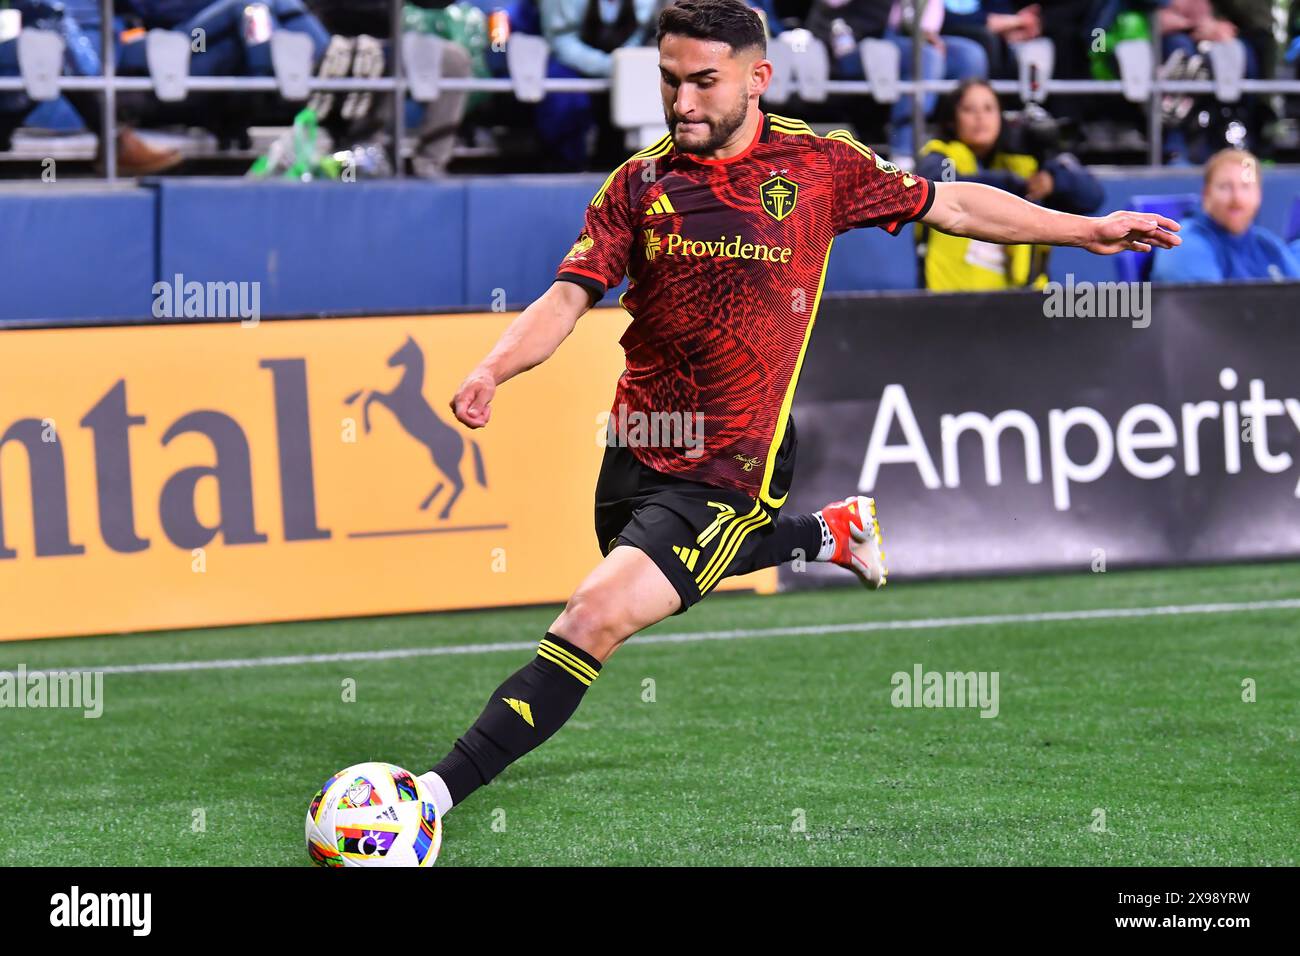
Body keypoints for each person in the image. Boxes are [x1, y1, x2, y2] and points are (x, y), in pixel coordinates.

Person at [409, 0, 1180, 823]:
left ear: (758, 77)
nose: (683, 103)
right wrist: (496, 367)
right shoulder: (637, 184)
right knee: (662, 574)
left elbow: (952, 206)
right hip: (638, 439)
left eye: (705, 82)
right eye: (670, 81)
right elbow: (568, 296)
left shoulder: (820, 167)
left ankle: (430, 796)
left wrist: (1086, 229)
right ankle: (828, 534)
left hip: (735, 463)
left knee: (594, 614)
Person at [914, 77, 1103, 290]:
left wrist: (1052, 182)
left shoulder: (1023, 160)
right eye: (968, 109)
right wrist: (1017, 186)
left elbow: (1092, 196)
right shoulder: (940, 155)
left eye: (988, 109)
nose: (980, 118)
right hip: (952, 298)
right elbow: (941, 186)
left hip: (1021, 300)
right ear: (951, 119)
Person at [1151, 148, 1300, 282]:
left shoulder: (1267, 245)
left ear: (1258, 195)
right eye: (1225, 187)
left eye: (1246, 187)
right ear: (1206, 194)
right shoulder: (1184, 244)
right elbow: (1205, 308)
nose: (1237, 198)